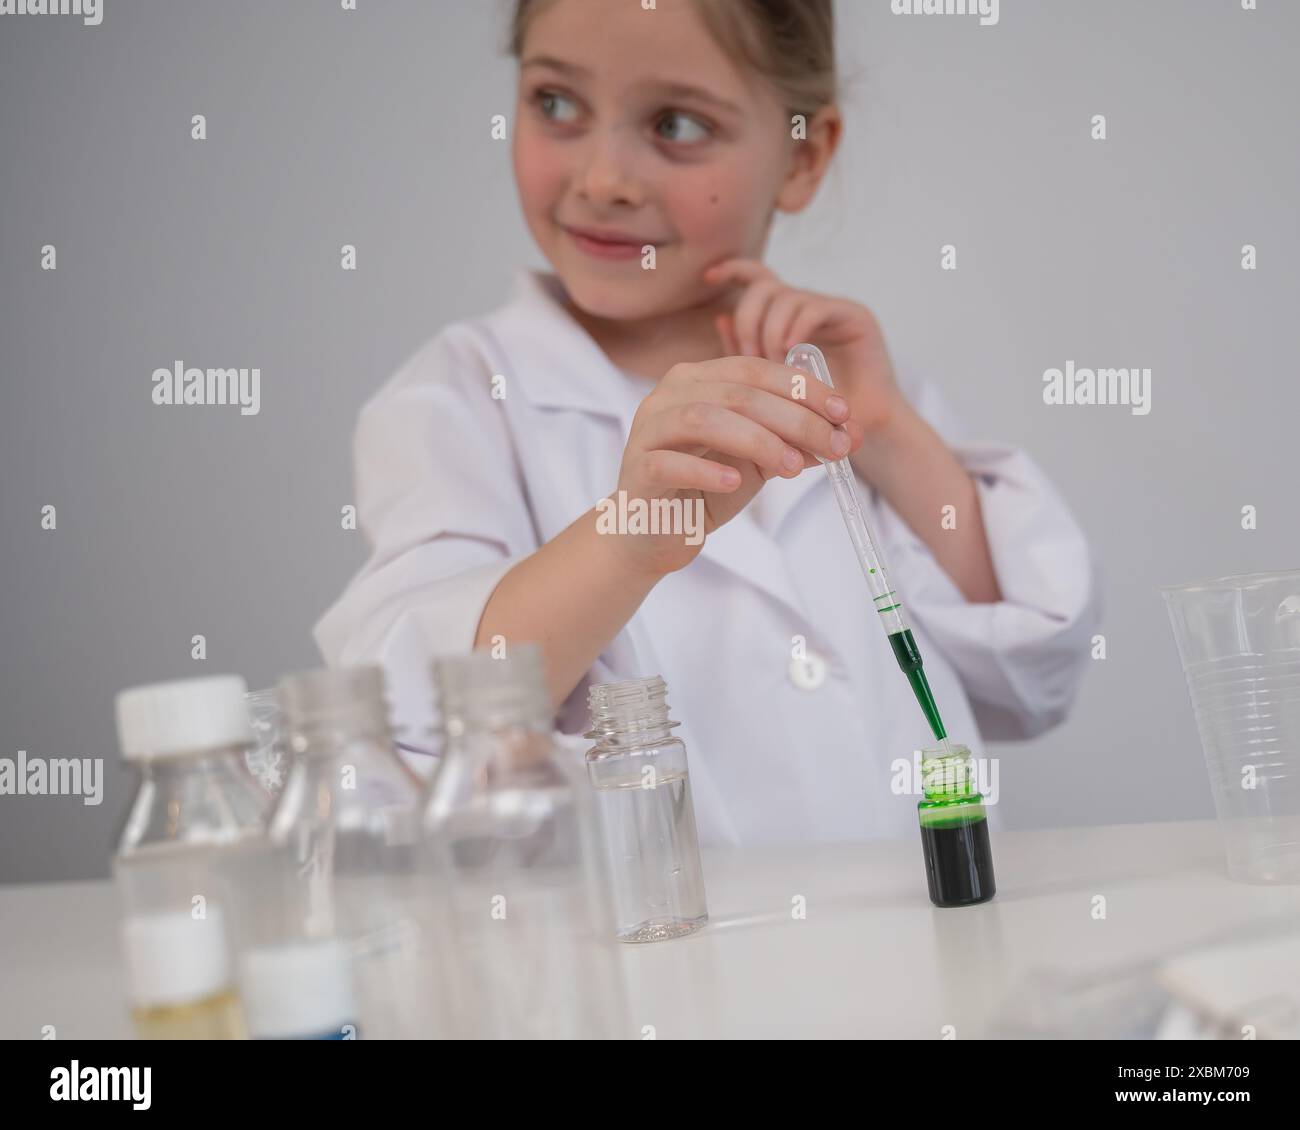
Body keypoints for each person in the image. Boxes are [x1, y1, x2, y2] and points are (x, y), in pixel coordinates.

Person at [314, 0, 1102, 844]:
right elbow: (414, 718)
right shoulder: (460, 400)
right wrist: (630, 539)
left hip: (931, 945)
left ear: (803, 154)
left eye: (676, 123)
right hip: (665, 966)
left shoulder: (851, 382)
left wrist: (890, 433)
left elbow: (1032, 678)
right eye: (555, 104)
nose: (602, 178)